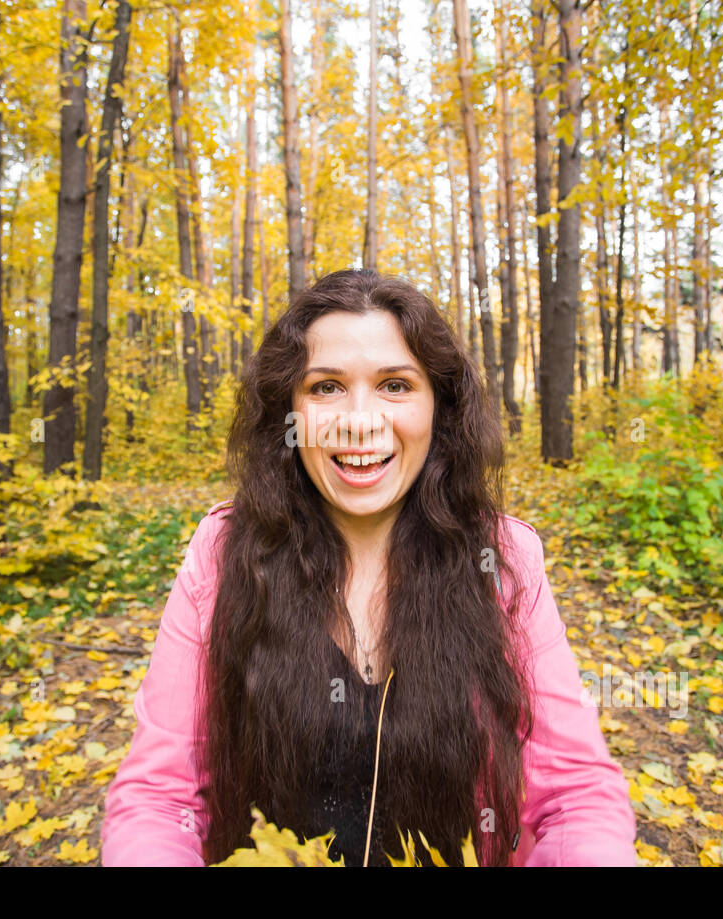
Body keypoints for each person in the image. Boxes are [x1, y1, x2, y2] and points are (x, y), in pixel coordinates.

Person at [101, 269, 637, 866]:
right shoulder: (223, 553)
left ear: (440, 406)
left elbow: (576, 795)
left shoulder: (501, 562)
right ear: (289, 411)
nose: (359, 420)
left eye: (395, 385)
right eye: (326, 387)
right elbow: (159, 796)